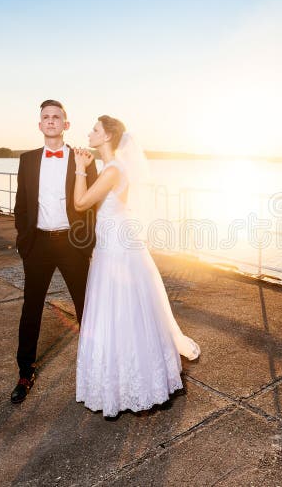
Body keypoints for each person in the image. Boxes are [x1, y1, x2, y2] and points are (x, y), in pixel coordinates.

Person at [72, 115, 200, 418]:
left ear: (106, 137)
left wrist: (79, 168)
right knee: (123, 312)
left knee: (120, 313)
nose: (89, 133)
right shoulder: (111, 167)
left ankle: (133, 384)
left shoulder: (114, 169)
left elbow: (80, 204)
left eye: (95, 130)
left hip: (117, 251)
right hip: (112, 246)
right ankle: (124, 381)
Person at [10, 99, 98, 404]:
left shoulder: (83, 158)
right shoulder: (27, 160)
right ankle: (25, 372)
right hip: (38, 245)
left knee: (88, 308)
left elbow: (93, 205)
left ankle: (97, 371)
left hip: (73, 245)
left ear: (66, 124)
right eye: (45, 117)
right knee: (31, 309)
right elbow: (21, 206)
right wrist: (25, 242)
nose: (51, 121)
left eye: (56, 117)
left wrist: (87, 243)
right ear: (39, 125)